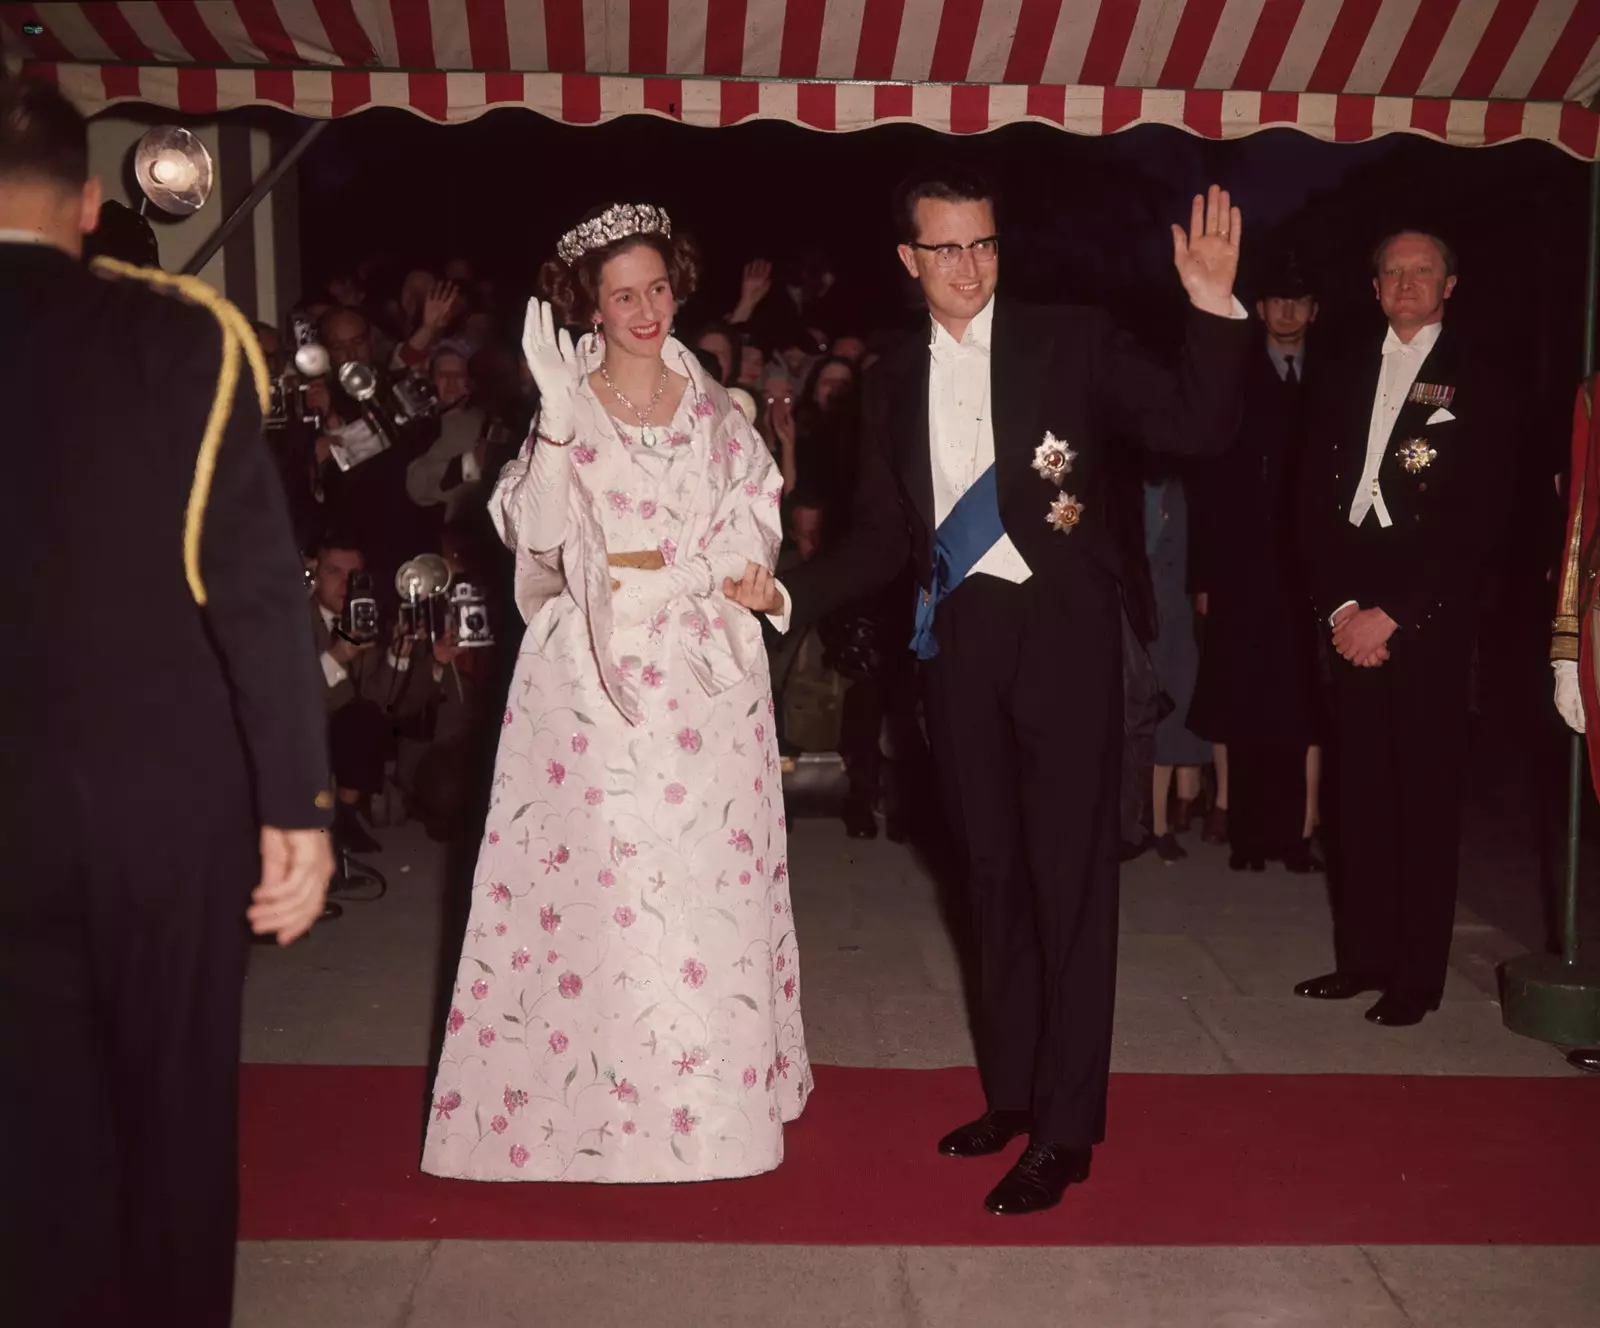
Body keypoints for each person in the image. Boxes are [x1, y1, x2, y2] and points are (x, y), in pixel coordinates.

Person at [742, 164, 1249, 1214]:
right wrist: (781, 596)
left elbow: (1196, 425)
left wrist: (1208, 302)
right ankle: (1014, 1094)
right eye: (946, 248)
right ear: (907, 259)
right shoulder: (886, 378)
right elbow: (886, 534)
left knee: (1068, 885)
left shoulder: (1072, 338)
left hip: (1064, 638)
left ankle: (1065, 1130)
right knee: (990, 875)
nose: (969, 267)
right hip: (959, 644)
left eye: (983, 244)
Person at [0, 80, 334, 1325]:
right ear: (88, 205)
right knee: (174, 1122)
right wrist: (294, 798)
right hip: (160, 805)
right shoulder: (181, 332)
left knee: (28, 1138)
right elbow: (248, 584)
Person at [424, 202, 810, 1184]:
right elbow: (535, 535)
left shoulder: (716, 404)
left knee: (700, 893)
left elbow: (752, 509)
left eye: (656, 287)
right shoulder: (566, 403)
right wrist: (555, 423)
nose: (644, 309)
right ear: (588, 309)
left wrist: (751, 573)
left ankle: (708, 1108)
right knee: (603, 889)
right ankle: (582, 1108)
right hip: (589, 677)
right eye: (621, 294)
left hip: (702, 673)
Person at [1294, 231, 1511, 1027]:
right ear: (1375, 286)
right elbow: (1310, 501)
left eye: (1424, 272)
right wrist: (1343, 609)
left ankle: (1416, 977)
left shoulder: (1480, 376)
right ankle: (1362, 959)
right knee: (1360, 796)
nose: (1408, 284)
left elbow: (1481, 522)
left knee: (1422, 797)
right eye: (1394, 272)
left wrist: (1398, 613)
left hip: (1429, 613)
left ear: (1450, 284)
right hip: (1350, 606)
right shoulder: (1344, 368)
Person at [1189, 255, 1325, 872]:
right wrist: (1205, 577)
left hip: (1309, 575)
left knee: (1299, 702)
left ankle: (1295, 835)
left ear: (1313, 311)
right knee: (1244, 697)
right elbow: (1209, 483)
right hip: (1242, 571)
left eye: (1299, 302)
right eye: (1277, 301)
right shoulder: (1236, 380)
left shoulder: (1335, 381)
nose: (1288, 312)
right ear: (1261, 310)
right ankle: (1246, 833)